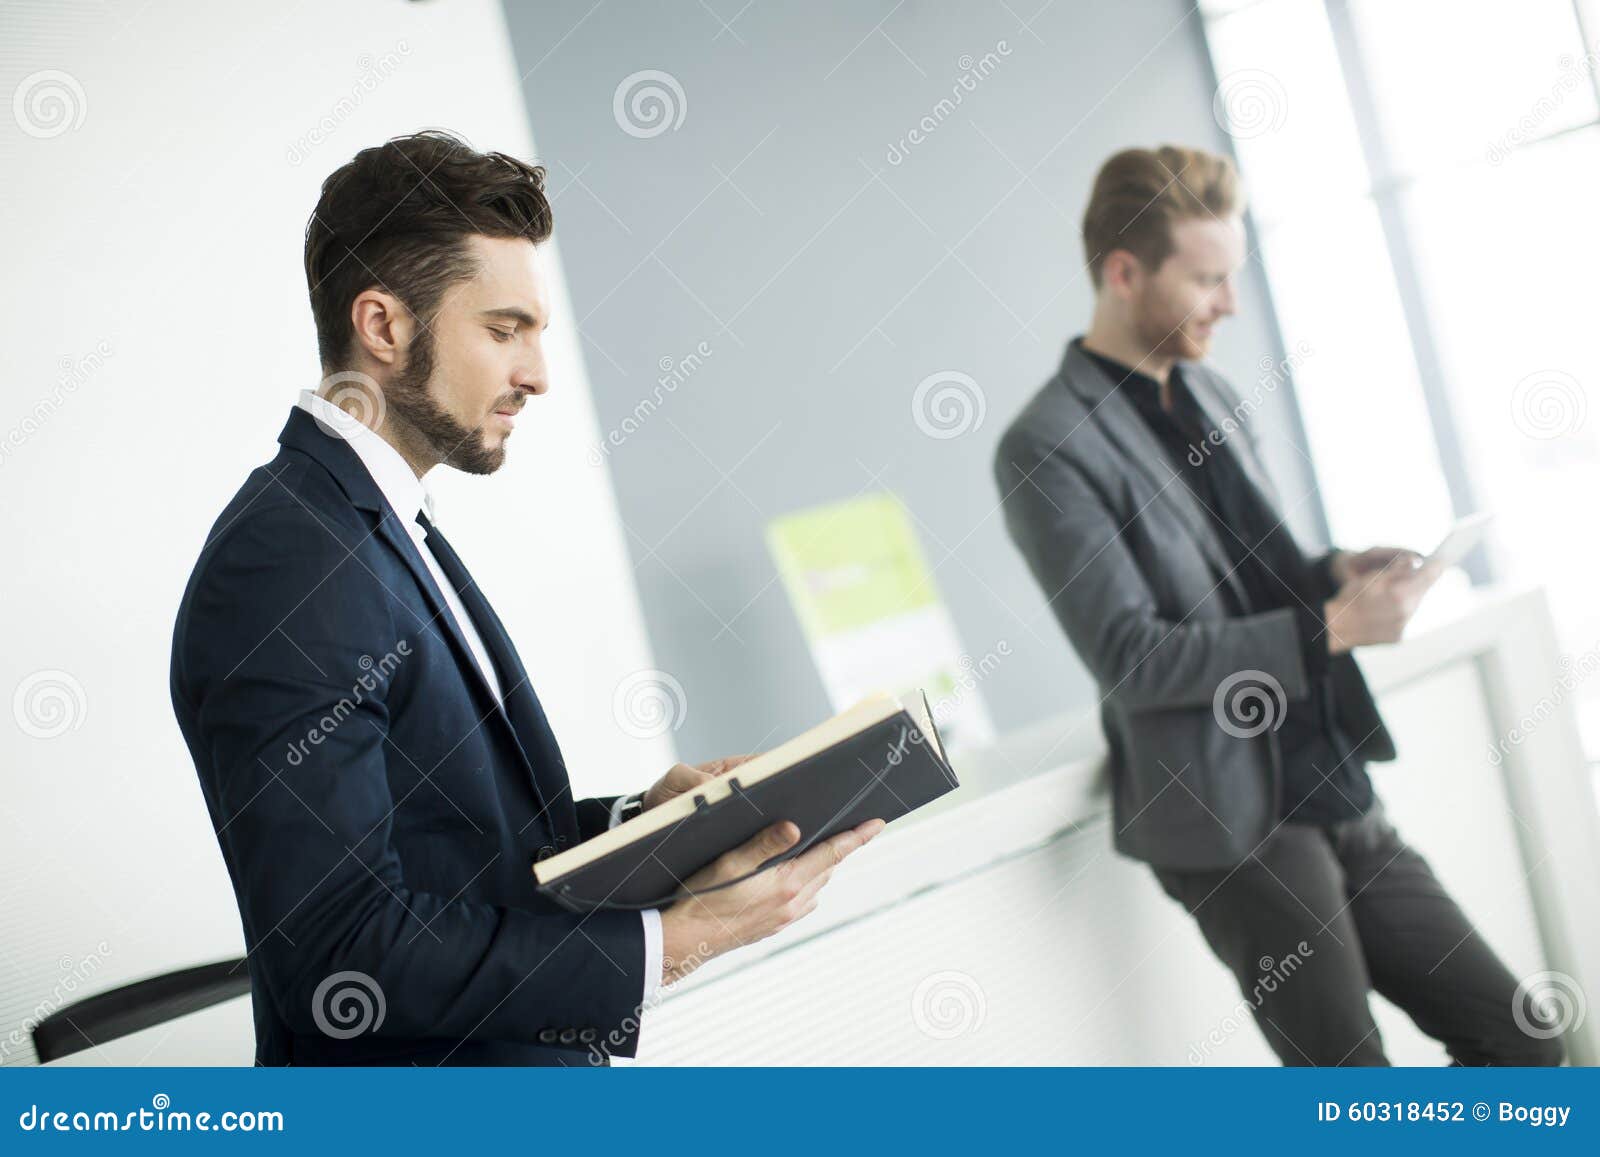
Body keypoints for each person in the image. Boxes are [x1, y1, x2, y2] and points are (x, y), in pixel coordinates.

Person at [170, 130, 882, 1066]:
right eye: (504, 331)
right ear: (383, 327)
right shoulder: (289, 558)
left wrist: (643, 824)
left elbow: (455, 853)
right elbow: (340, 957)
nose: (538, 373)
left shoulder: (376, 526)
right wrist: (681, 941)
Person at [992, 145, 1561, 1066]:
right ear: (1124, 273)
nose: (1230, 303)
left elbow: (1251, 572)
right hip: (1234, 818)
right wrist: (1332, 627)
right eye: (1208, 279)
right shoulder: (1046, 446)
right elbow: (1134, 658)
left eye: (1234, 276)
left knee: (1524, 1042)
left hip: (1330, 774)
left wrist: (1335, 569)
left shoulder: (1211, 391)